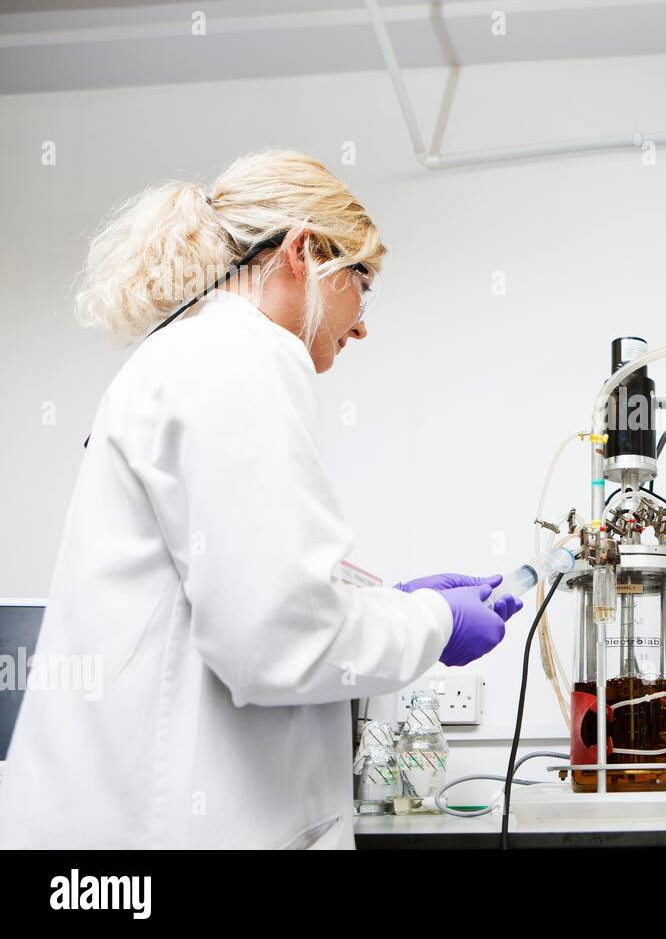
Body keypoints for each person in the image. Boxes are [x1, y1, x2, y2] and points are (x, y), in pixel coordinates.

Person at [0, 151, 522, 848]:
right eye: (362, 283)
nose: (363, 323)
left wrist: (386, 604)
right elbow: (278, 641)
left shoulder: (191, 352)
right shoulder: (242, 354)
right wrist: (431, 622)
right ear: (302, 252)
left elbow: (242, 595)